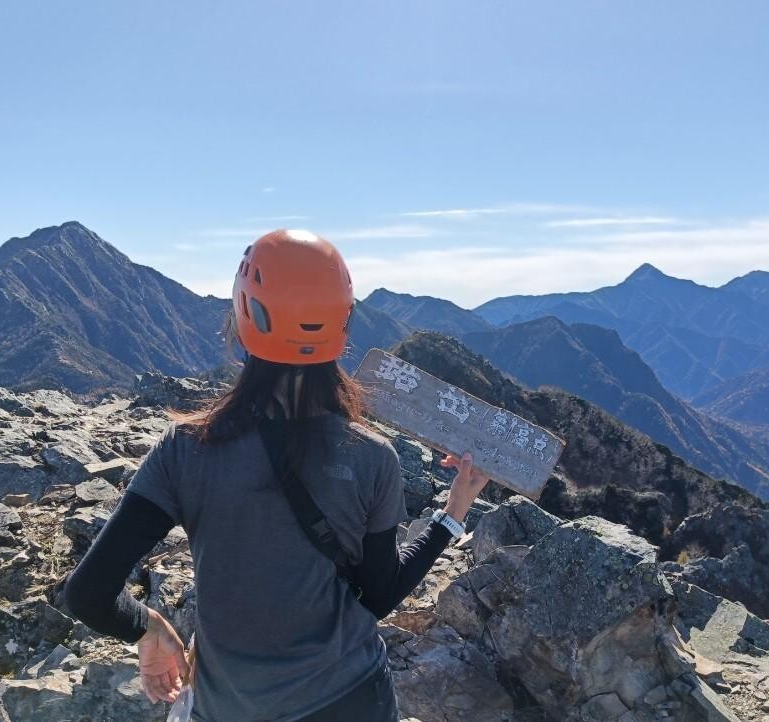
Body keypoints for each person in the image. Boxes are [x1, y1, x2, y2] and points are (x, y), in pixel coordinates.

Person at [62, 229, 491, 722]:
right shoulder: (372, 457)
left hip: (231, 708)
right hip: (351, 699)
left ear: (244, 316)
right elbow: (379, 597)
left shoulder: (186, 448)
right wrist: (453, 512)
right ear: (342, 323)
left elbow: (88, 593)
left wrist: (150, 627)